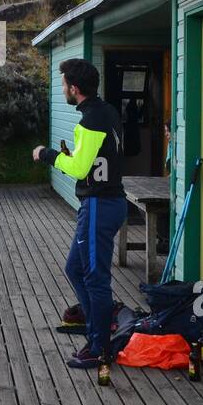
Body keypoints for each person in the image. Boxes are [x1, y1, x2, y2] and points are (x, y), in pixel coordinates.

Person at [33, 58, 127, 369]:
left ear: (74, 89)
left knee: (95, 278)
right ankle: (99, 322)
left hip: (100, 205)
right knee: (75, 268)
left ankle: (100, 345)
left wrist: (47, 155)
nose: (62, 90)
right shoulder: (107, 111)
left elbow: (79, 168)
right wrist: (76, 157)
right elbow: (98, 159)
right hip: (108, 202)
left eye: (63, 85)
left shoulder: (89, 121)